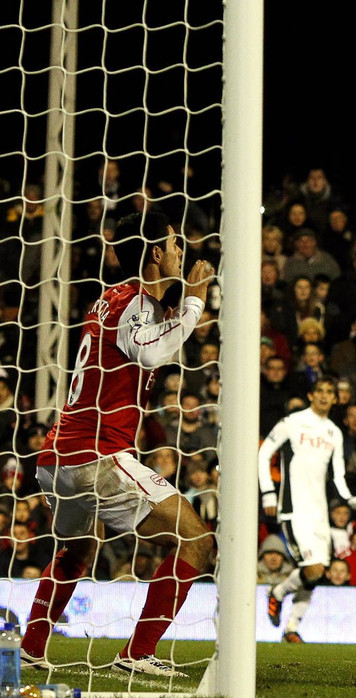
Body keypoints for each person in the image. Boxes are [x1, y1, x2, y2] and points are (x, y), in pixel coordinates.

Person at [24, 211, 216, 677]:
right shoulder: (133, 303)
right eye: (174, 246)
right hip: (96, 456)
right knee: (196, 539)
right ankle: (137, 653)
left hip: (57, 457)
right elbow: (149, 351)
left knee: (78, 548)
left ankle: (29, 646)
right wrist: (193, 303)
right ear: (155, 253)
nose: (179, 253)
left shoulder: (111, 300)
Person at [259, 378, 356, 642]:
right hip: (293, 508)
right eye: (320, 391)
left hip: (319, 512)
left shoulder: (334, 432)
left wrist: (350, 499)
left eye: (330, 393)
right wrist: (268, 494)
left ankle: (292, 628)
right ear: (311, 394)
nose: (324, 396)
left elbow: (338, 475)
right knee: (314, 567)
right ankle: (278, 593)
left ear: (335, 399)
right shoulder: (292, 422)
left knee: (317, 573)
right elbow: (263, 454)